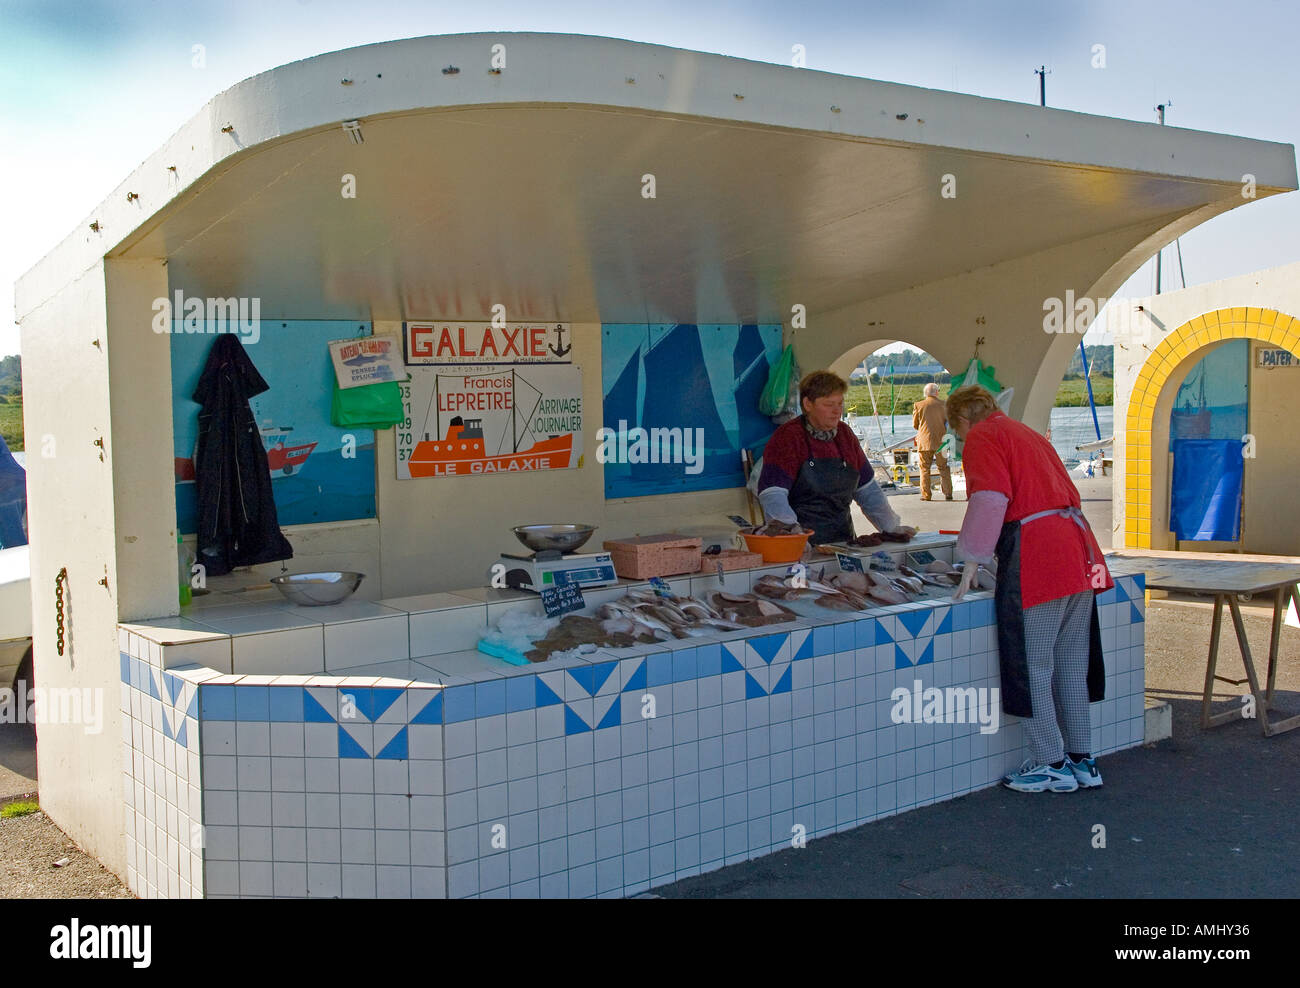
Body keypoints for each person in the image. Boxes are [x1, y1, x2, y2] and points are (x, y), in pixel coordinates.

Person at [946, 384, 1113, 794]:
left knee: (1033, 665)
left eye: (958, 432)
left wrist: (972, 558)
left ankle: (1050, 764)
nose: (961, 439)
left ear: (963, 421)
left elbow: (989, 499)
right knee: (1073, 665)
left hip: (1038, 554)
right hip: (1079, 550)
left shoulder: (985, 436)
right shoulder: (1027, 432)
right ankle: (1082, 760)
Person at [757, 371, 917, 545]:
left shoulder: (845, 435)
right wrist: (790, 535)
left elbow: (868, 491)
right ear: (807, 404)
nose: (837, 411)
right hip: (800, 543)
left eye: (840, 404)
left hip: (843, 541)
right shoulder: (788, 437)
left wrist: (892, 528)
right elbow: (773, 494)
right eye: (829, 404)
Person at [911, 382, 953, 501]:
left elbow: (915, 425)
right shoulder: (944, 405)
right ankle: (948, 493)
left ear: (925, 393)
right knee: (943, 467)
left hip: (924, 441)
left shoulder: (918, 405)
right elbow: (949, 423)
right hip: (942, 441)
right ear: (937, 392)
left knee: (924, 468)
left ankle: (926, 495)